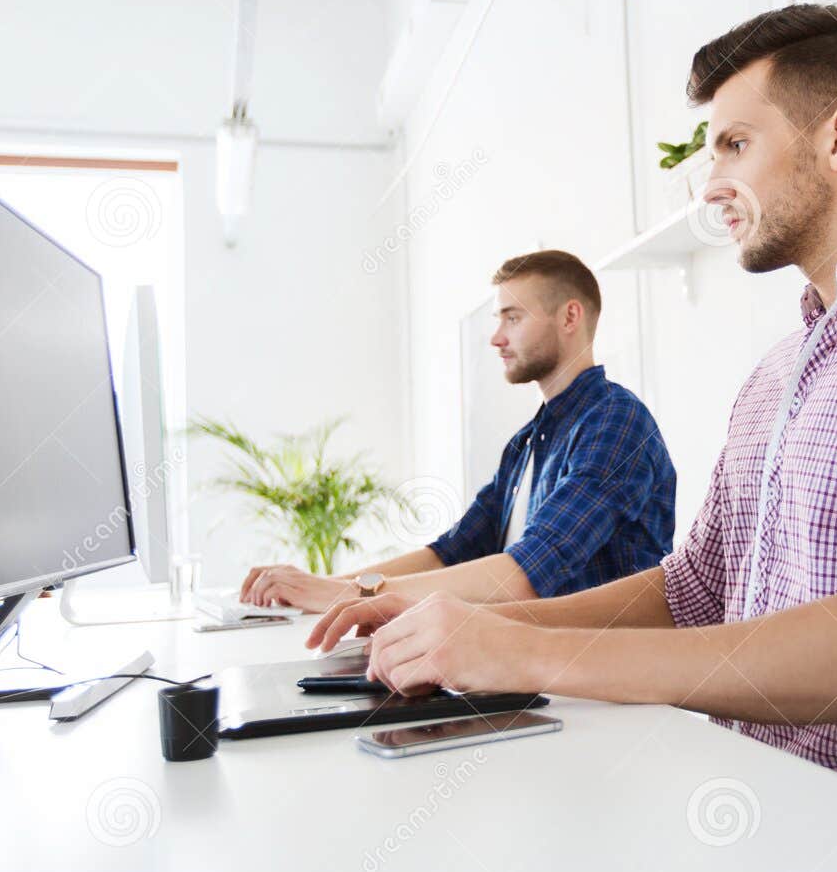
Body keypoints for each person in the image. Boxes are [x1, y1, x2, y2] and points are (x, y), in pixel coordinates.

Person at [306, 4, 837, 839]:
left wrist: (528, 655)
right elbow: (695, 590)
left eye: (735, 145)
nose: (710, 184)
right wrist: (473, 628)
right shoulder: (779, 371)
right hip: (738, 802)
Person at [241, 249, 677, 611]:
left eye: (512, 318)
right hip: (534, 675)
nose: (495, 338)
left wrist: (352, 596)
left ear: (569, 318)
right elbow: (449, 553)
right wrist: (324, 587)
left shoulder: (616, 422)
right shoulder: (526, 442)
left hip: (606, 692)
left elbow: (530, 570)